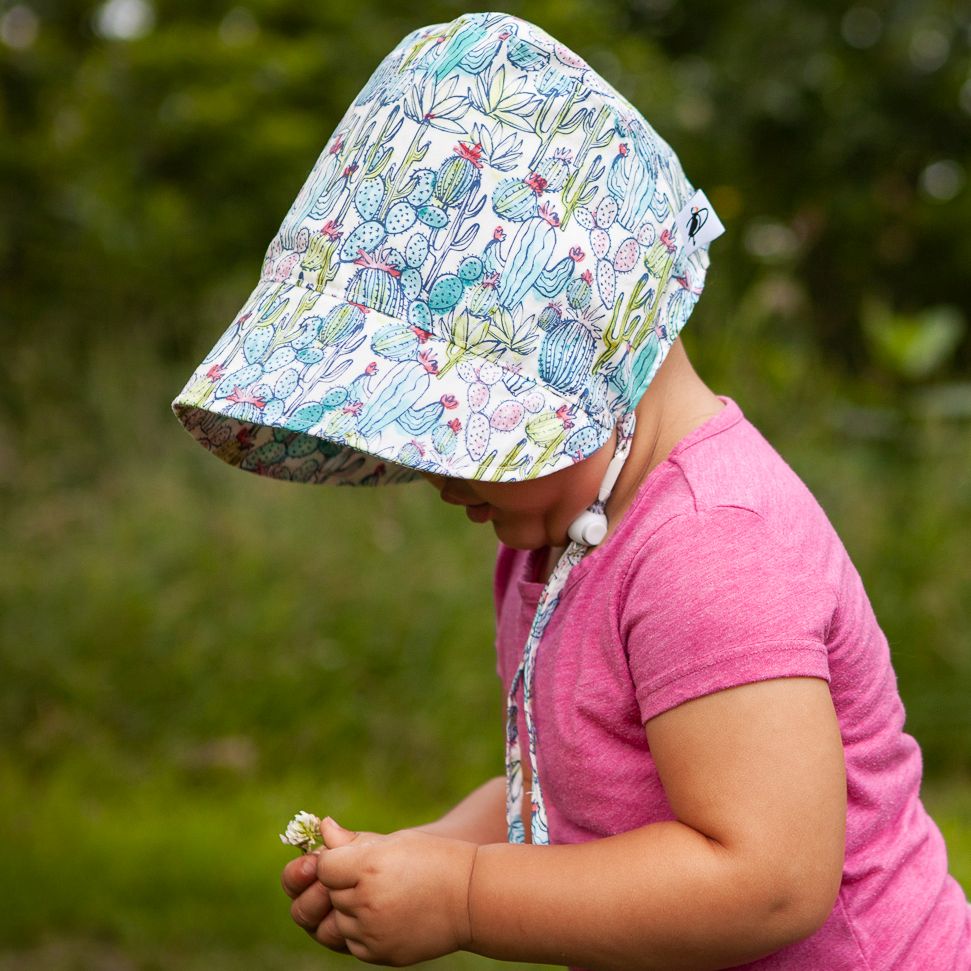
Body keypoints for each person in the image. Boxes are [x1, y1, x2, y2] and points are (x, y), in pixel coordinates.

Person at [171, 11, 971, 970]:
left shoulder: (711, 546)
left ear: (580, 358)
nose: (431, 472)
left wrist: (467, 899)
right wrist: (425, 855)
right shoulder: (557, 537)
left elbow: (768, 880)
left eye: (449, 426)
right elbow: (560, 789)